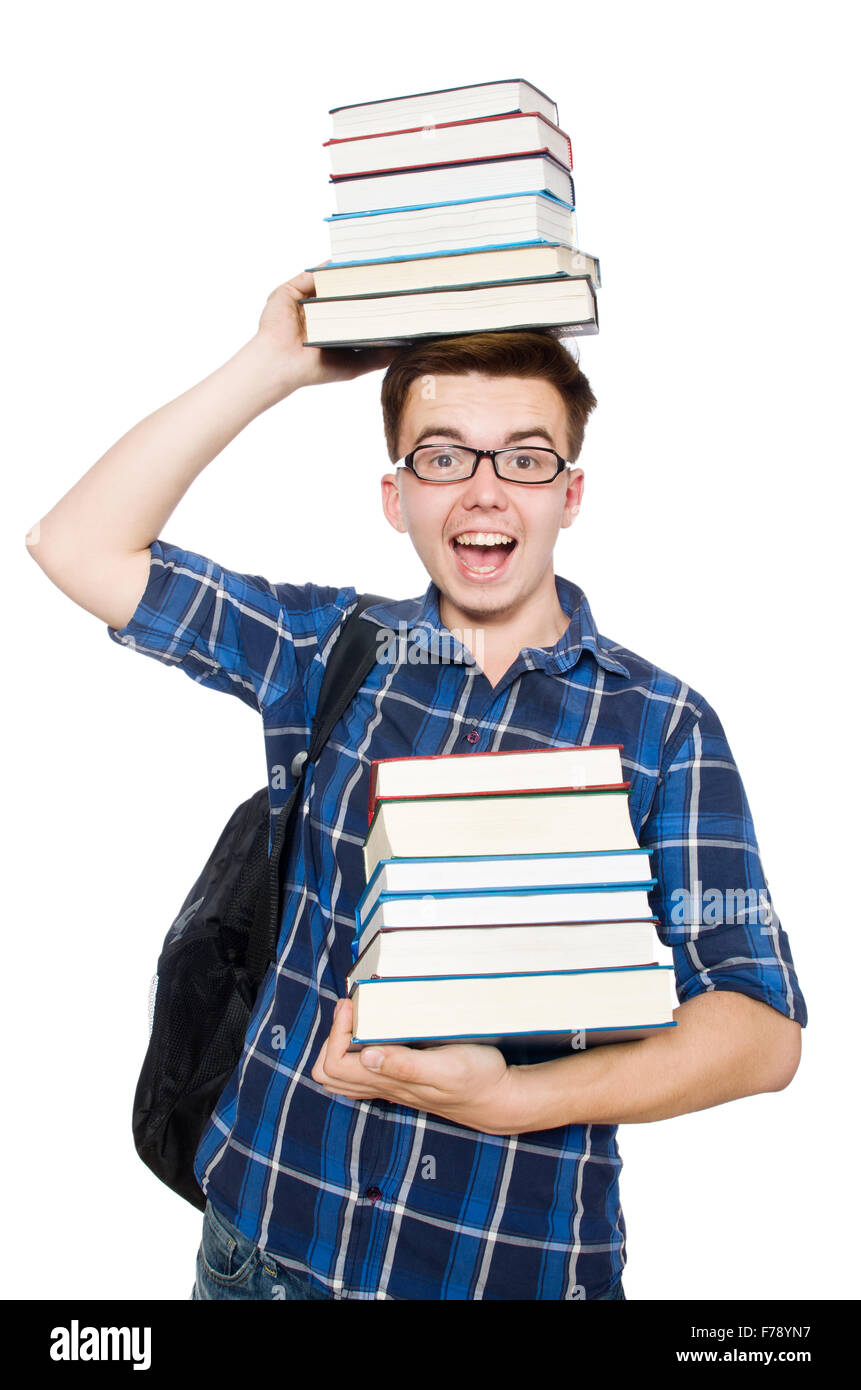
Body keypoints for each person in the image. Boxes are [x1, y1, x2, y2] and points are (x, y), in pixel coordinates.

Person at [27, 270, 807, 1301]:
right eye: (444, 458)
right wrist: (274, 364)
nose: (485, 490)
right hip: (255, 1249)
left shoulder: (665, 728)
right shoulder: (326, 651)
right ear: (396, 497)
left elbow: (761, 1027)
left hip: (500, 1274)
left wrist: (511, 1100)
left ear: (570, 493)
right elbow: (75, 544)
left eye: (525, 459)